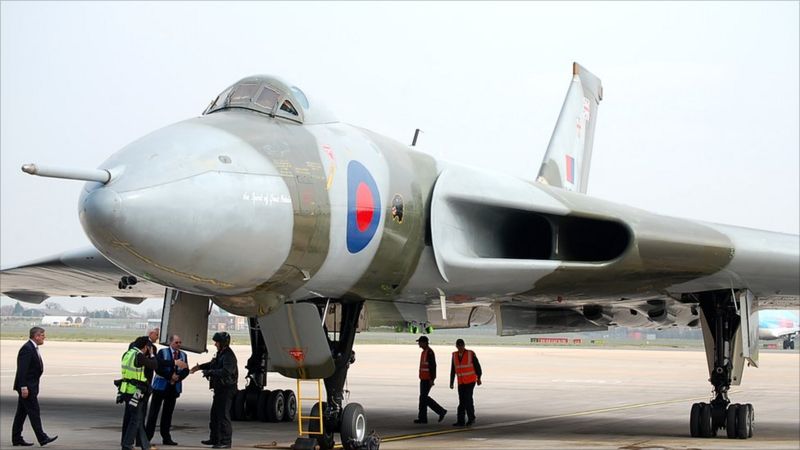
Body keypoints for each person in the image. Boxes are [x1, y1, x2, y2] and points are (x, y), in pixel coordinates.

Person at [11, 327, 58, 447]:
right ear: (36, 336)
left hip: (30, 386)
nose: (44, 337)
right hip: (27, 387)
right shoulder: (27, 349)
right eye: (42, 335)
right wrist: (23, 387)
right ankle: (42, 438)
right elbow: (22, 370)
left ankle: (16, 438)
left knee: (21, 414)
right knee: (34, 412)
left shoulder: (32, 348)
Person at [191, 332, 238, 449]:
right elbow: (213, 364)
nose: (215, 344)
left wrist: (210, 372)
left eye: (217, 342)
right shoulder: (221, 354)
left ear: (222, 343)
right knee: (215, 415)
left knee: (223, 415)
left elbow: (226, 371)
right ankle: (215, 438)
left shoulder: (228, 356)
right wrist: (200, 367)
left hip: (227, 389)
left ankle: (226, 442)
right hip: (220, 389)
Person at [145, 334, 190, 446]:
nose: (178, 344)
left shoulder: (183, 355)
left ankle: (166, 437)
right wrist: (170, 376)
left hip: (173, 388)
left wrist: (178, 378)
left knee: (168, 414)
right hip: (160, 387)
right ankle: (147, 437)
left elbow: (186, 370)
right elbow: (158, 367)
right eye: (176, 342)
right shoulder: (162, 352)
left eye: (180, 342)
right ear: (170, 343)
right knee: (153, 413)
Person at [119, 336, 159, 450]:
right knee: (136, 419)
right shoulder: (139, 355)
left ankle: (143, 444)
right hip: (136, 391)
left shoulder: (127, 354)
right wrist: (152, 355)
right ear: (146, 347)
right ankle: (127, 444)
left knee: (136, 417)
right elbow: (154, 365)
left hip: (126, 389)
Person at [131, 327, 160, 448]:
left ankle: (135, 440)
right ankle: (138, 441)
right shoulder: (141, 348)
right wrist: (151, 356)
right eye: (157, 335)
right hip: (140, 386)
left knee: (137, 413)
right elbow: (153, 365)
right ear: (151, 334)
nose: (158, 337)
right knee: (138, 413)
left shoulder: (138, 347)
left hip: (142, 385)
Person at [413, 336, 447, 424]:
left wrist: (432, 379)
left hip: (427, 379)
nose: (419, 344)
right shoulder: (424, 352)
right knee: (422, 398)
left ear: (424, 343)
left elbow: (433, 366)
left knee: (424, 398)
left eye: (420, 342)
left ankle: (441, 411)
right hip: (423, 378)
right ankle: (423, 418)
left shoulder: (429, 352)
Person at [449, 338, 482, 427]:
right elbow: (453, 369)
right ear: (456, 346)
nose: (460, 348)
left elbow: (477, 367)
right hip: (461, 382)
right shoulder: (454, 355)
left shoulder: (470, 354)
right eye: (458, 346)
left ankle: (471, 419)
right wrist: (451, 382)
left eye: (461, 346)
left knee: (468, 400)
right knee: (461, 401)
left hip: (470, 381)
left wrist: (479, 378)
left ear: (464, 345)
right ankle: (460, 421)